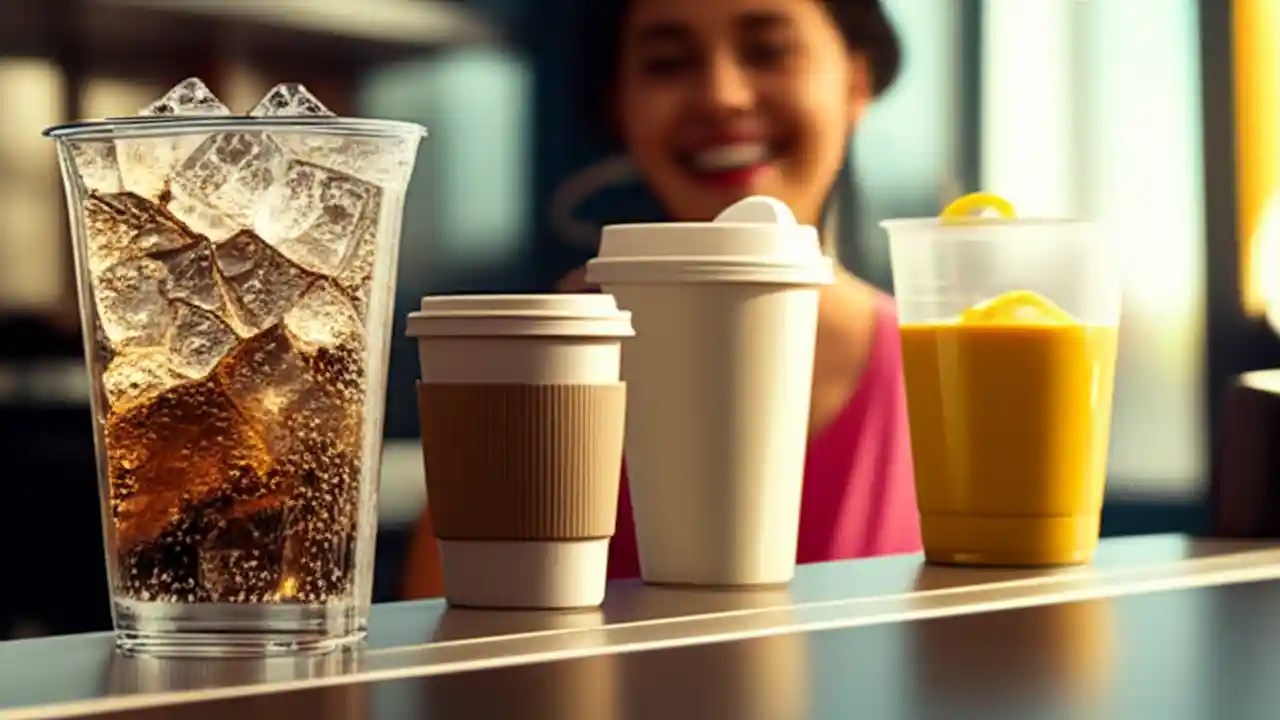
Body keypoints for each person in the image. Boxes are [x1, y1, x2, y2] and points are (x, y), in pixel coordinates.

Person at [403, 0, 919, 599]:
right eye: (668, 63)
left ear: (857, 82)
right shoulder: (529, 379)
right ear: (619, 106)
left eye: (769, 50)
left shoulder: (946, 379)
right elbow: (449, 660)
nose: (721, 95)